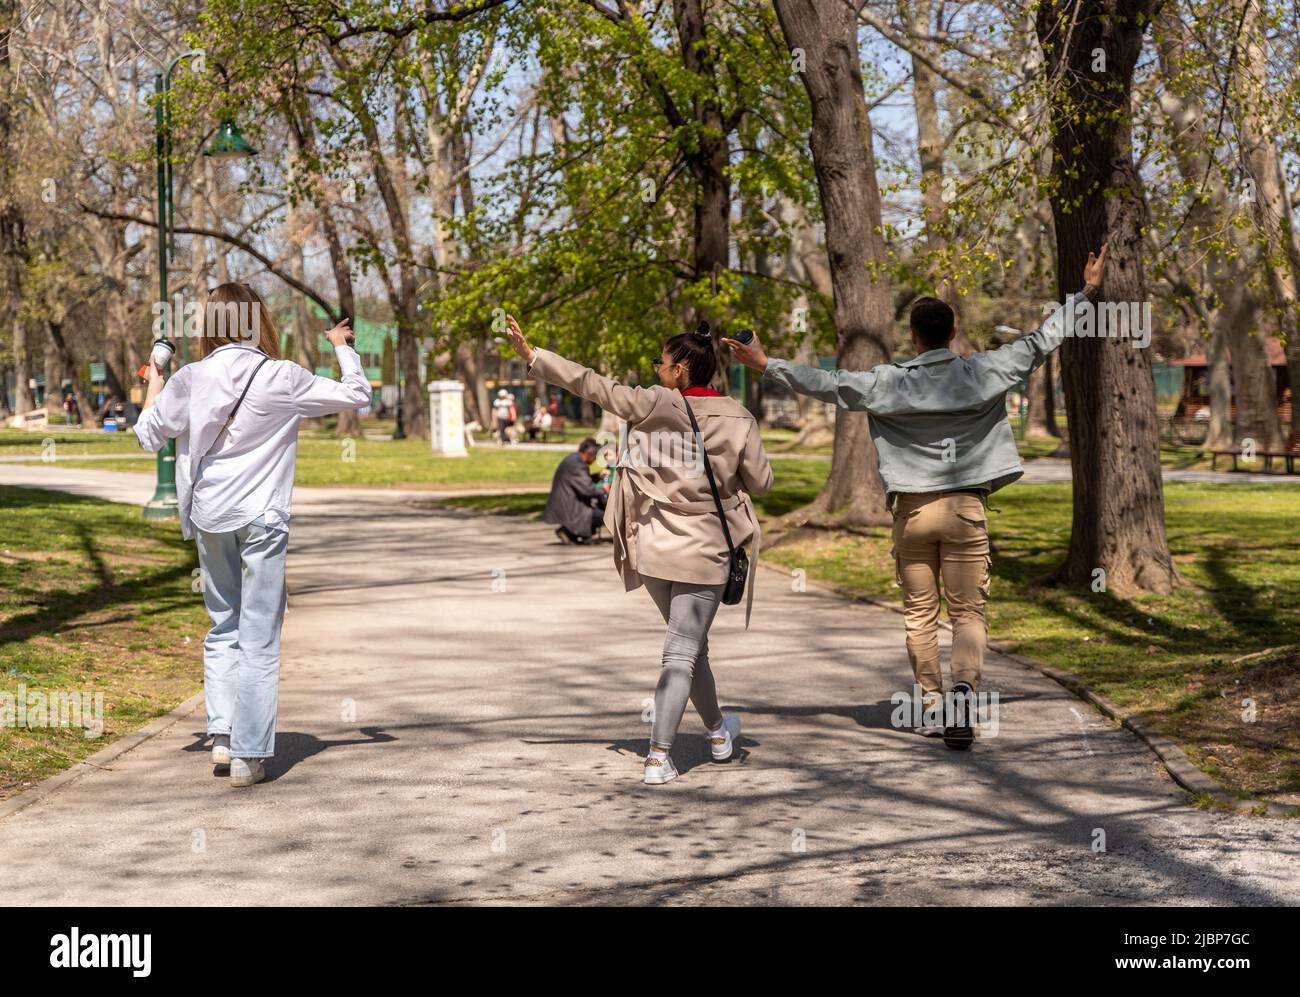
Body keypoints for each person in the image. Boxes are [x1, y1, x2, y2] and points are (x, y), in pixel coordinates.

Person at [724, 243, 1110, 751]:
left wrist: (765, 362)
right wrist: (1086, 292)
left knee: (920, 614)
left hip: (912, 513)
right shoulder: (985, 370)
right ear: (952, 333)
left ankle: (931, 707)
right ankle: (965, 694)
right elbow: (1043, 340)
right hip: (965, 510)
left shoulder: (889, 383)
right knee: (968, 612)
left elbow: (828, 383)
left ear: (913, 337)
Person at [506, 315, 773, 786]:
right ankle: (659, 756)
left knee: (692, 649)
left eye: (662, 364)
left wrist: (534, 357)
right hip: (706, 550)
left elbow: (591, 384)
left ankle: (716, 732)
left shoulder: (649, 405)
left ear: (681, 370)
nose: (657, 370)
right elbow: (763, 484)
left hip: (652, 549)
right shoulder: (739, 418)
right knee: (682, 651)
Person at [134, 282, 371, 788]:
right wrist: (340, 346)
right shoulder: (281, 375)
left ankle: (221, 735)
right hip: (263, 517)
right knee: (259, 635)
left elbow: (147, 433)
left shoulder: (191, 378)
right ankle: (247, 756)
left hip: (210, 517)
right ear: (257, 321)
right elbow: (357, 394)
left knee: (224, 626)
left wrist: (156, 375)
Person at [544, 437, 608, 543]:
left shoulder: (574, 460)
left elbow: (581, 482)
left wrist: (597, 476)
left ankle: (572, 533)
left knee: (599, 511)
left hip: (567, 502)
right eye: (595, 456)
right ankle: (569, 531)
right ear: (589, 453)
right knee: (603, 515)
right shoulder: (577, 465)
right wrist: (604, 489)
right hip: (570, 506)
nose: (595, 460)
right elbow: (587, 490)